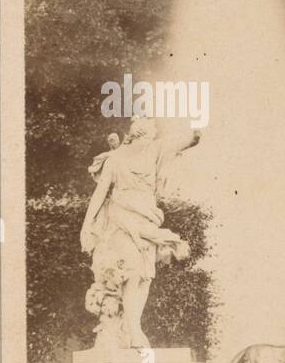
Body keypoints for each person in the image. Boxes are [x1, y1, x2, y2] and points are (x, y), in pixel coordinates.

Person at [79, 114, 201, 348]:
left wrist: (196, 129)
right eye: (152, 129)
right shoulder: (116, 158)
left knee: (145, 275)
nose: (155, 133)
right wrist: (87, 225)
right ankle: (134, 331)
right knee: (132, 272)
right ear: (143, 132)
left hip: (146, 220)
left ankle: (133, 327)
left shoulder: (155, 149)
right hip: (122, 219)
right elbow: (100, 193)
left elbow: (190, 140)